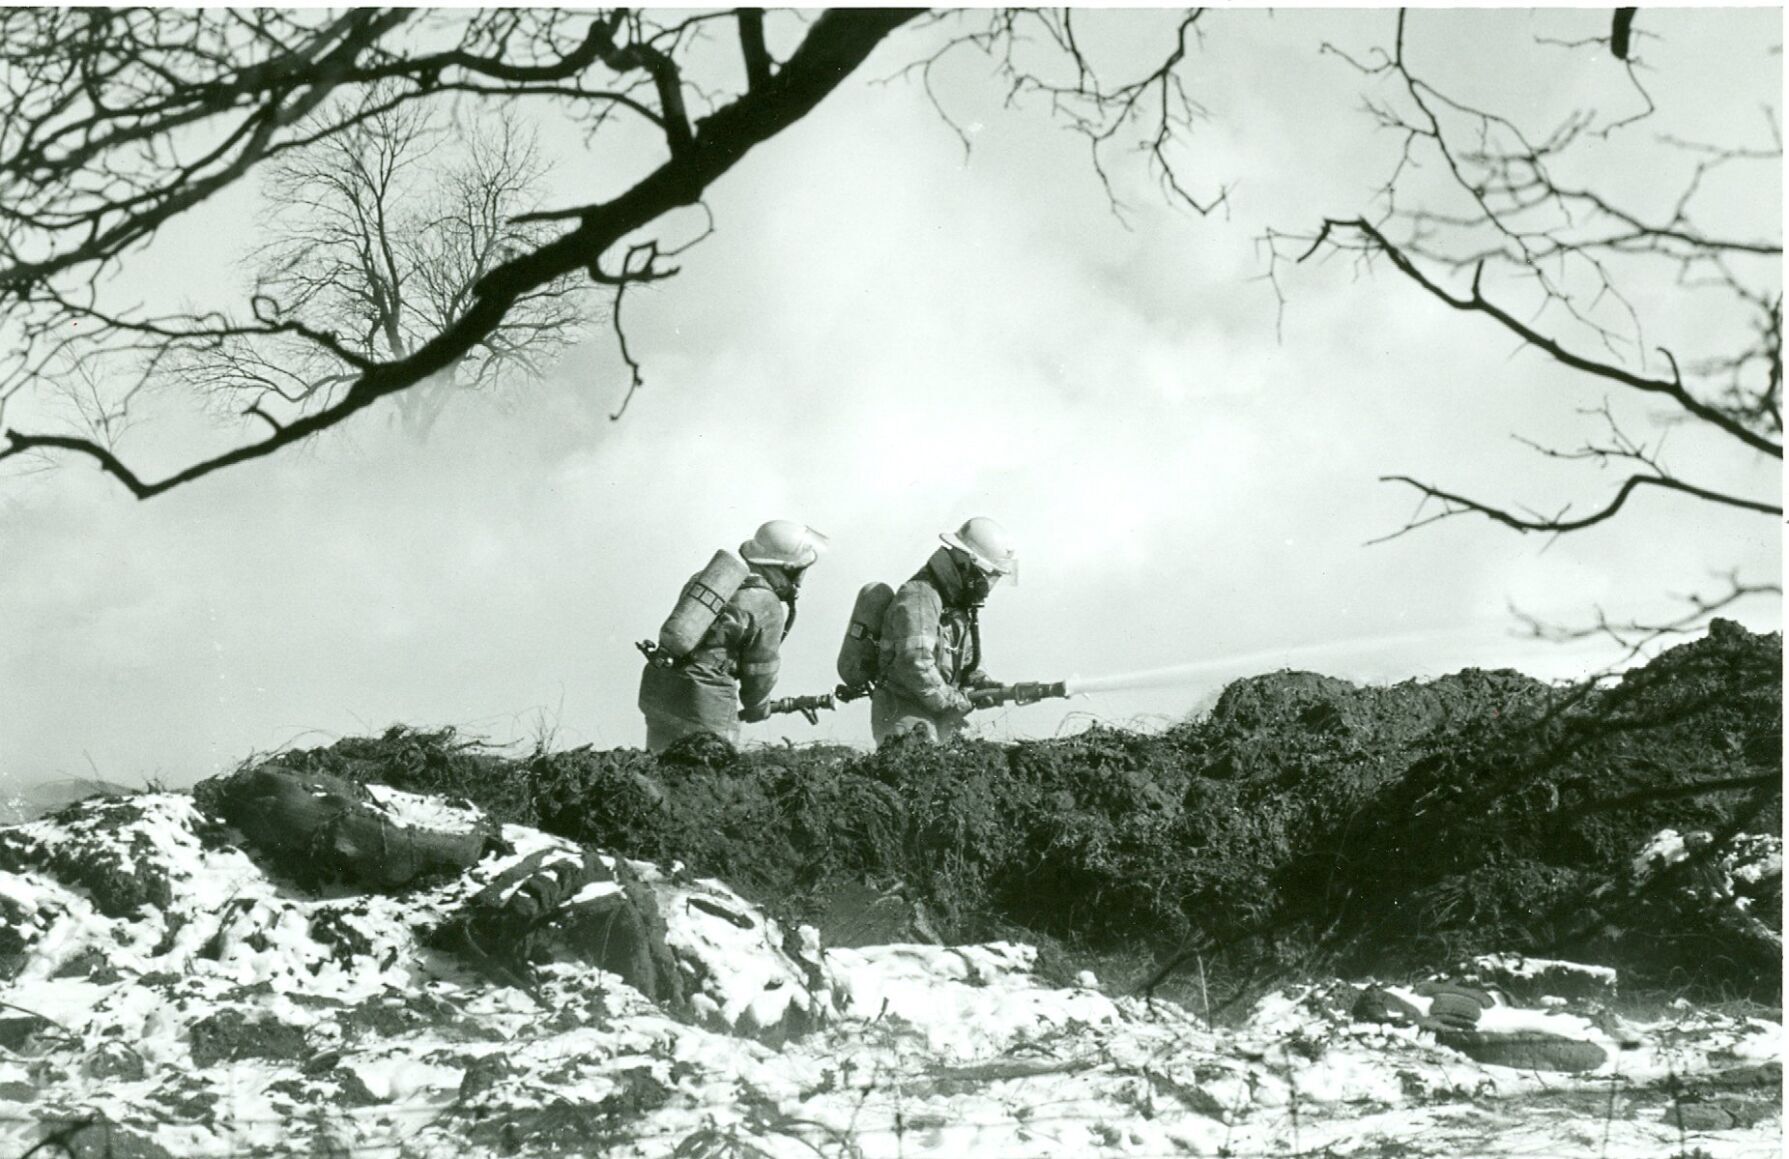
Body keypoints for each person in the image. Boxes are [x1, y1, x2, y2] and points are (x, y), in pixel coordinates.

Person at [638, 520, 828, 753]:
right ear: (785, 568)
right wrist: (758, 707)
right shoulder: (766, 603)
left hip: (660, 688)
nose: (799, 581)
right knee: (709, 779)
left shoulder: (709, 579)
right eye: (799, 570)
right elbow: (760, 671)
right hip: (706, 701)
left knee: (659, 766)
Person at [871, 517, 1017, 744]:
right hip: (904, 710)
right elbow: (915, 663)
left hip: (939, 710)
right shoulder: (920, 596)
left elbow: (969, 660)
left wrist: (983, 684)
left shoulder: (956, 604)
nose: (987, 588)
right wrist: (955, 702)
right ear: (968, 564)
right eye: (988, 577)